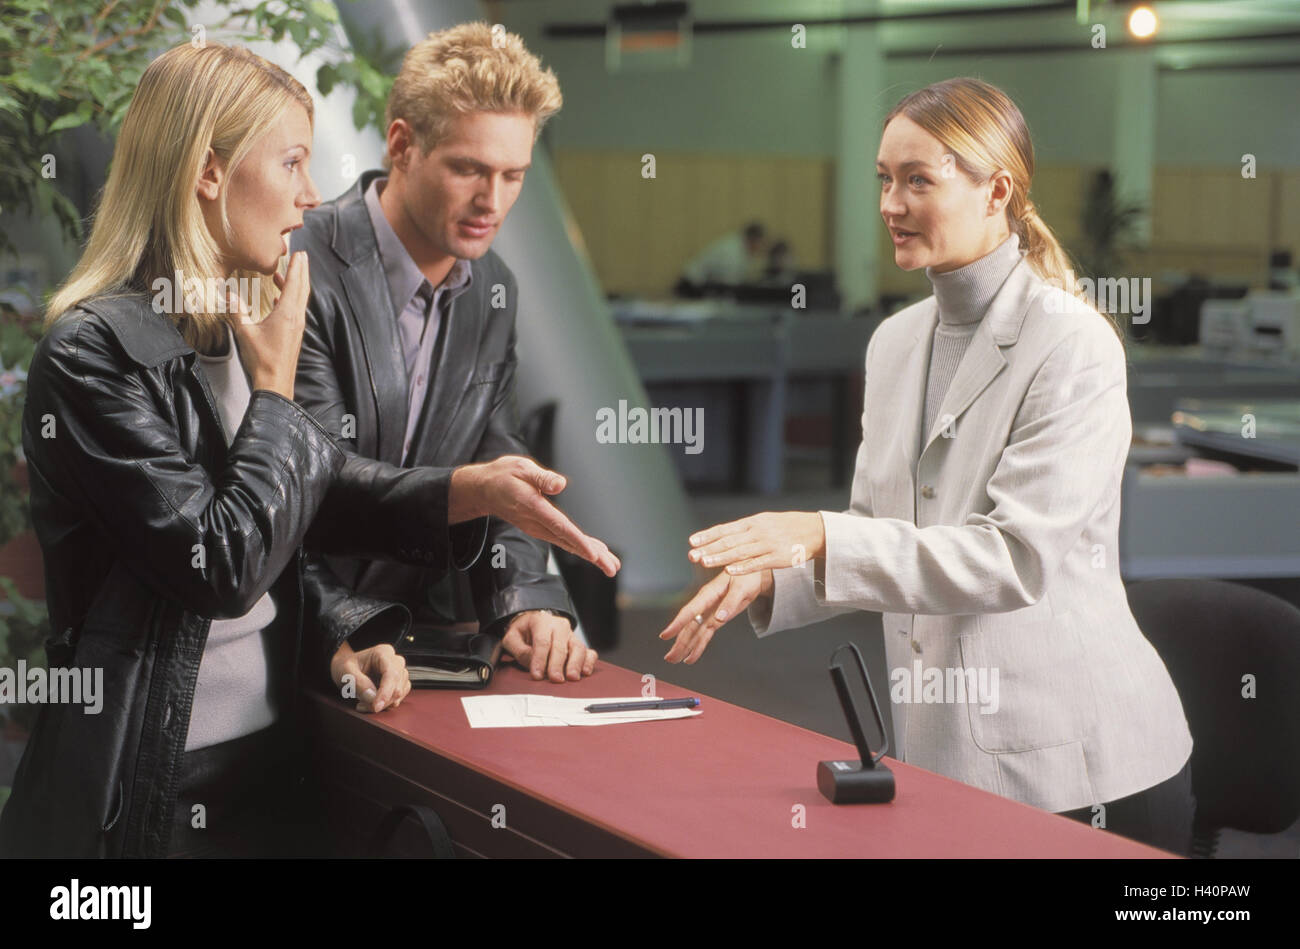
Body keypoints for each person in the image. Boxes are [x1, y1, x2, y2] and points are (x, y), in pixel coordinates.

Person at [0, 42, 615, 859]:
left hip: (274, 764)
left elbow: (303, 517)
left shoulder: (239, 330)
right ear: (209, 173)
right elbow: (217, 565)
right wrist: (280, 393)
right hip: (149, 791)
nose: (310, 194)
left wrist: (355, 611)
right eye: (291, 162)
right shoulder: (93, 352)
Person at [659, 77, 1195, 856]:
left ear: (997, 190)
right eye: (883, 178)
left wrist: (813, 533)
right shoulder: (895, 342)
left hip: (1086, 776)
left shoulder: (1073, 345)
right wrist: (772, 574)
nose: (890, 204)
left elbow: (1011, 557)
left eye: (919, 180)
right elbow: (881, 533)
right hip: (944, 757)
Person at [294, 23, 602, 684]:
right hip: (296, 635)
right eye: (468, 168)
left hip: (414, 642)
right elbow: (305, 487)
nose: (492, 201)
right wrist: (342, 626)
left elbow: (500, 453)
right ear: (402, 144)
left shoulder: (493, 289)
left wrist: (525, 600)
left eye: (512, 174)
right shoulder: (302, 263)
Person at [674, 221, 766, 297]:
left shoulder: (740, 247)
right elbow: (730, 284)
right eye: (759, 243)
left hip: (703, 284)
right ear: (753, 239)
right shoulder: (732, 252)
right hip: (691, 285)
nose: (759, 247)